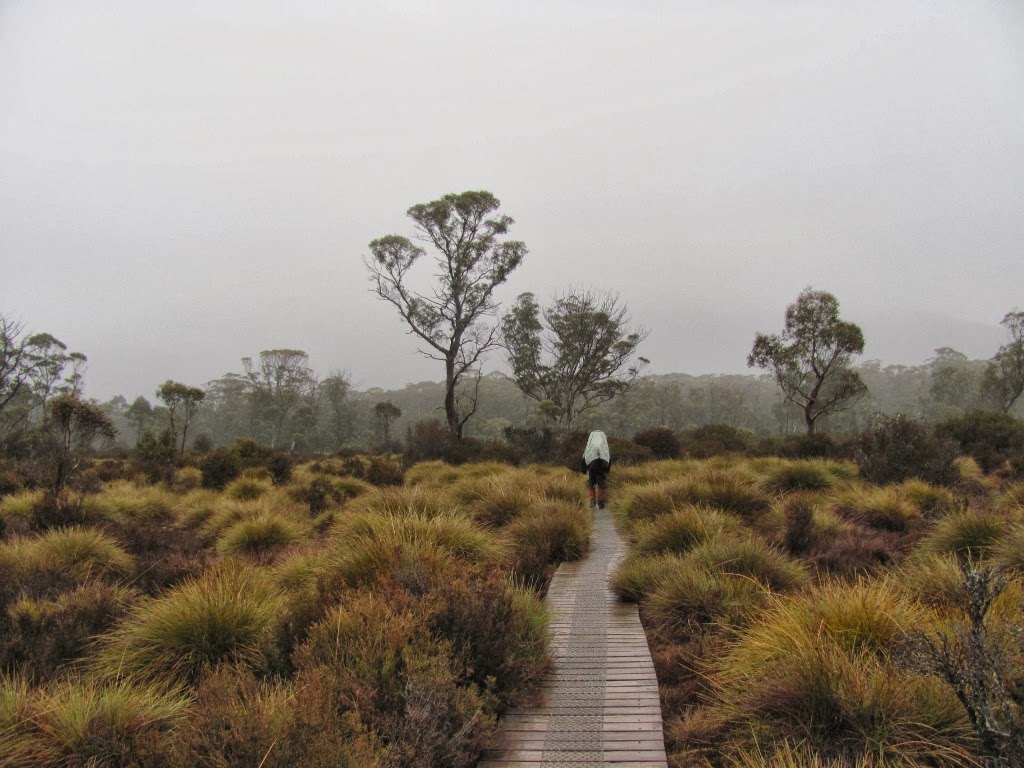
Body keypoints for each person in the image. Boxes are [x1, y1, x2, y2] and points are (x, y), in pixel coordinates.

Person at [581, 430, 611, 509]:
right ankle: (601, 502)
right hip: (601, 468)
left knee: (591, 483)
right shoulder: (604, 446)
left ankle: (592, 501)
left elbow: (584, 457)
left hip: (592, 467)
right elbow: (608, 458)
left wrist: (583, 470)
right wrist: (607, 470)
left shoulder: (590, 445)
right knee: (601, 484)